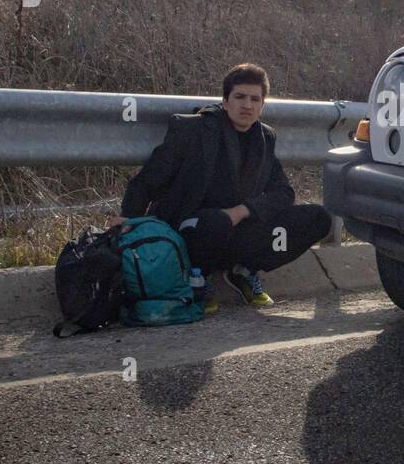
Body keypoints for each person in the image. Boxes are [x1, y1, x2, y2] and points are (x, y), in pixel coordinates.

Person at [111, 63, 333, 309]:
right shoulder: (193, 130)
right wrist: (129, 217)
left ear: (262, 106)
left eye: (254, 99)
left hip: (238, 228)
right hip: (190, 228)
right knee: (216, 222)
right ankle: (196, 278)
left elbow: (283, 192)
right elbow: (150, 177)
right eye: (239, 97)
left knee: (319, 218)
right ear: (226, 101)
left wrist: (242, 211)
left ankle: (244, 271)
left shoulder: (264, 138)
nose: (247, 105)